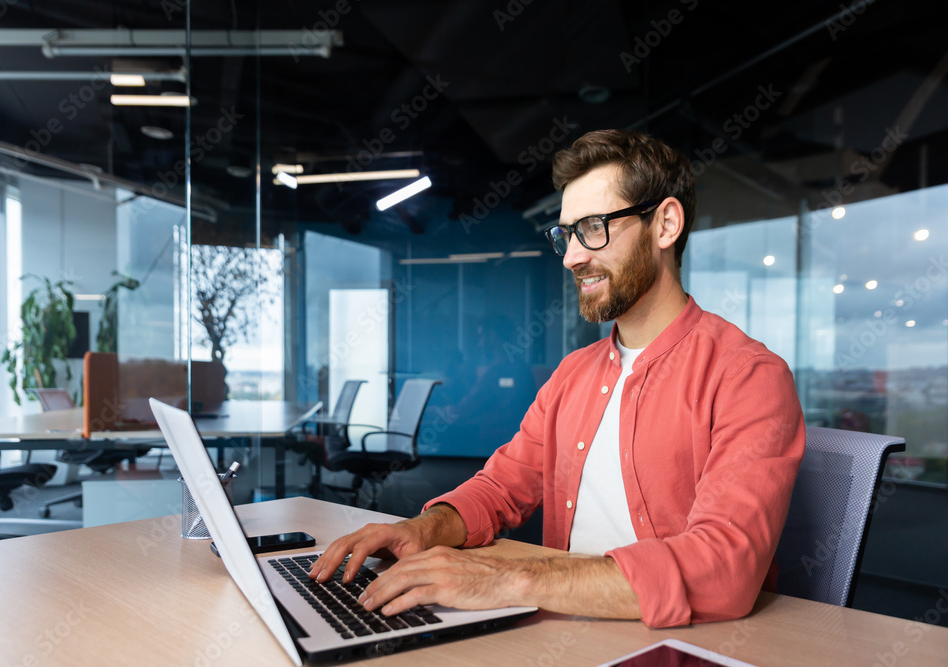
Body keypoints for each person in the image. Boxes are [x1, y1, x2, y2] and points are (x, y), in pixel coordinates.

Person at [309, 129, 805, 628]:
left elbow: (724, 568)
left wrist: (505, 580)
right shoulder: (573, 374)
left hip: (674, 641)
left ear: (665, 224)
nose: (571, 257)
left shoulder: (749, 377)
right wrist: (423, 530)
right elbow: (501, 488)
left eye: (593, 227)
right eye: (567, 234)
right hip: (563, 629)